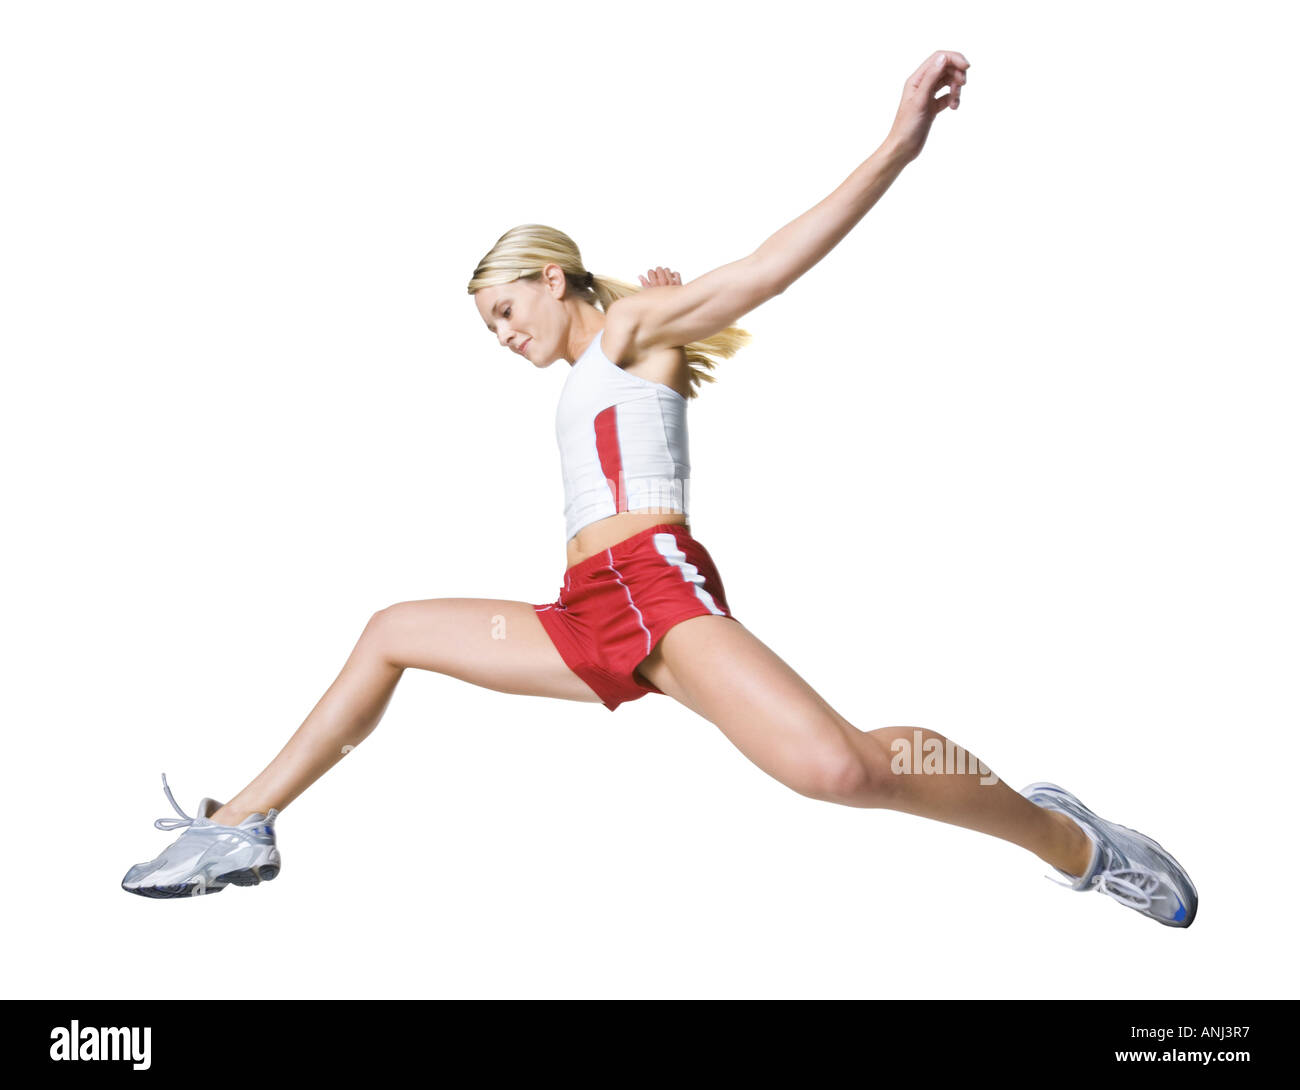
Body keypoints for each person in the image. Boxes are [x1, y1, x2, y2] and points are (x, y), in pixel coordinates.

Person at [122, 50, 1197, 927]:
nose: (503, 339)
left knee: (842, 768)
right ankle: (244, 820)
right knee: (392, 628)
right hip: (589, 611)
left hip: (655, 587)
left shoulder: (632, 326)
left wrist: (898, 145)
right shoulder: (635, 339)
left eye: (504, 312)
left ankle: (1065, 835)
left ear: (553, 273)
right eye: (488, 330)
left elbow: (770, 265)